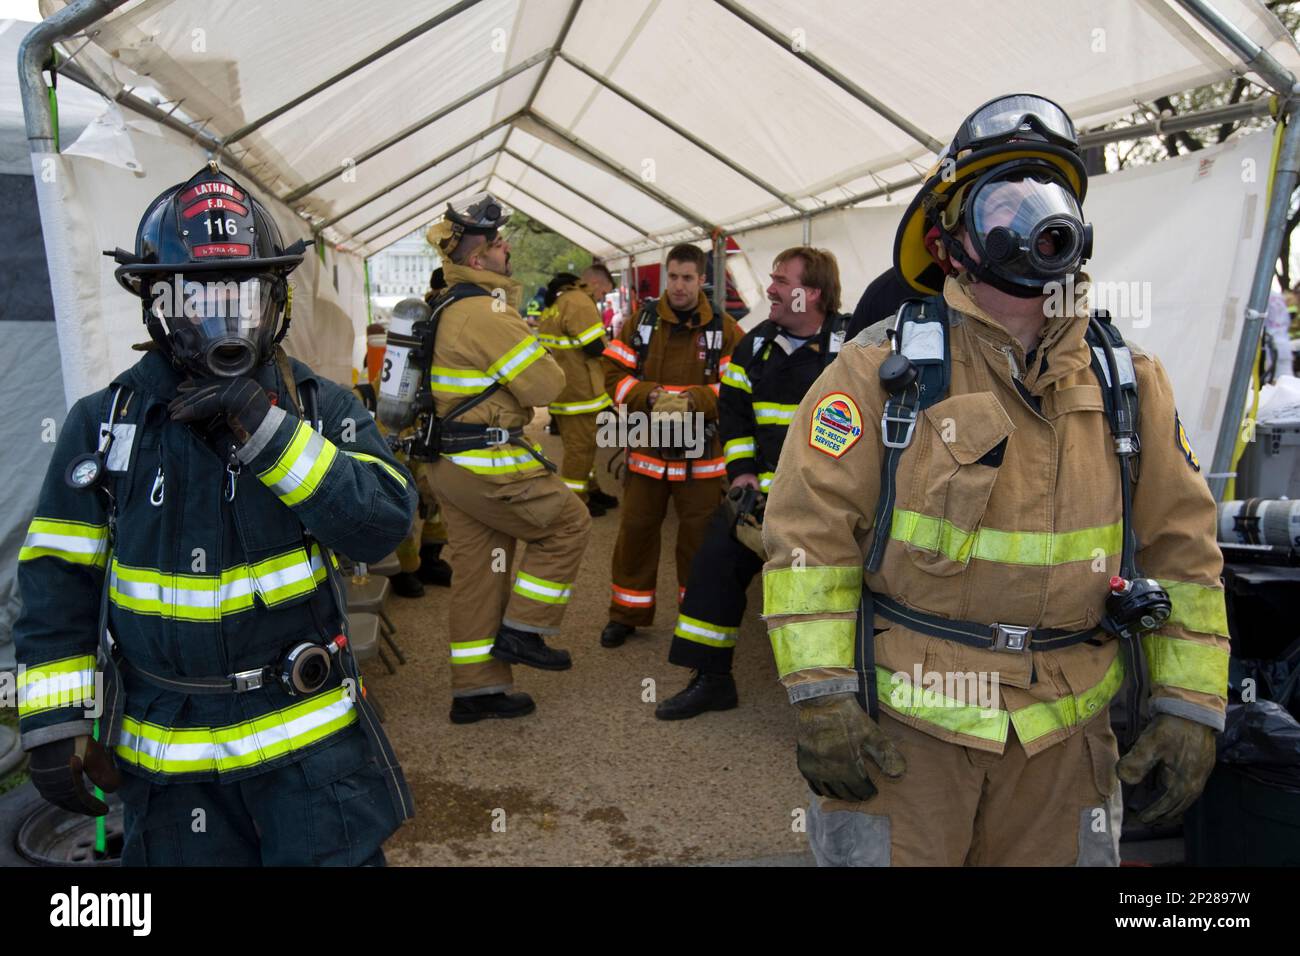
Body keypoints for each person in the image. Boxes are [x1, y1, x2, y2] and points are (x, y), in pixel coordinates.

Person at [761, 93, 1229, 866]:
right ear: (953, 244)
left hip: (1065, 752)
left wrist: (1190, 705)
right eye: (1000, 204)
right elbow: (809, 538)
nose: (1032, 222)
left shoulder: (1130, 382)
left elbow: (1184, 552)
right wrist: (822, 696)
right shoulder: (879, 372)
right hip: (909, 743)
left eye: (1047, 199)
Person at [14, 163, 418, 865]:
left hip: (312, 765)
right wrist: (52, 724)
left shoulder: (319, 410)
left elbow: (382, 523)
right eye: (194, 297)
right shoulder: (104, 426)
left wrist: (267, 429)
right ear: (154, 304)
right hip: (171, 777)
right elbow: (57, 582)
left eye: (241, 296)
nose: (222, 320)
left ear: (275, 303)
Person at [656, 247, 850, 719]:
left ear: (813, 294)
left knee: (817, 593)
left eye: (782, 281)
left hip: (830, 505)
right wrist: (742, 475)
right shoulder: (754, 346)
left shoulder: (853, 349)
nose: (770, 290)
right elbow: (734, 415)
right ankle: (711, 678)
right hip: (760, 500)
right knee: (715, 565)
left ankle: (829, 700)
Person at [424, 193, 591, 723]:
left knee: (480, 573)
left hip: (451, 464)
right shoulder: (487, 311)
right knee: (567, 523)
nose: (506, 248)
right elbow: (547, 383)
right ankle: (524, 631)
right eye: (497, 243)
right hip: (485, 463)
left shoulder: (452, 306)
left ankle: (476, 691)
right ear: (477, 261)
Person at [599, 244, 742, 648]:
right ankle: (626, 614)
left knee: (698, 542)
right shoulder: (640, 324)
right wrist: (648, 395)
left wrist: (694, 401)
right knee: (636, 535)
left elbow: (736, 387)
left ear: (701, 280)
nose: (678, 286)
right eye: (673, 277)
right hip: (647, 452)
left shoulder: (725, 329)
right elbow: (613, 372)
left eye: (687, 278)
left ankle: (695, 617)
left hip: (701, 460)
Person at [535, 264, 620, 516]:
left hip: (567, 390)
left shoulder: (558, 303)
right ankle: (576, 503)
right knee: (579, 449)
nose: (603, 299)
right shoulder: (580, 302)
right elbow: (595, 347)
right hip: (579, 392)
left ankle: (591, 489)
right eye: (604, 293)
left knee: (584, 446)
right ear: (596, 283)